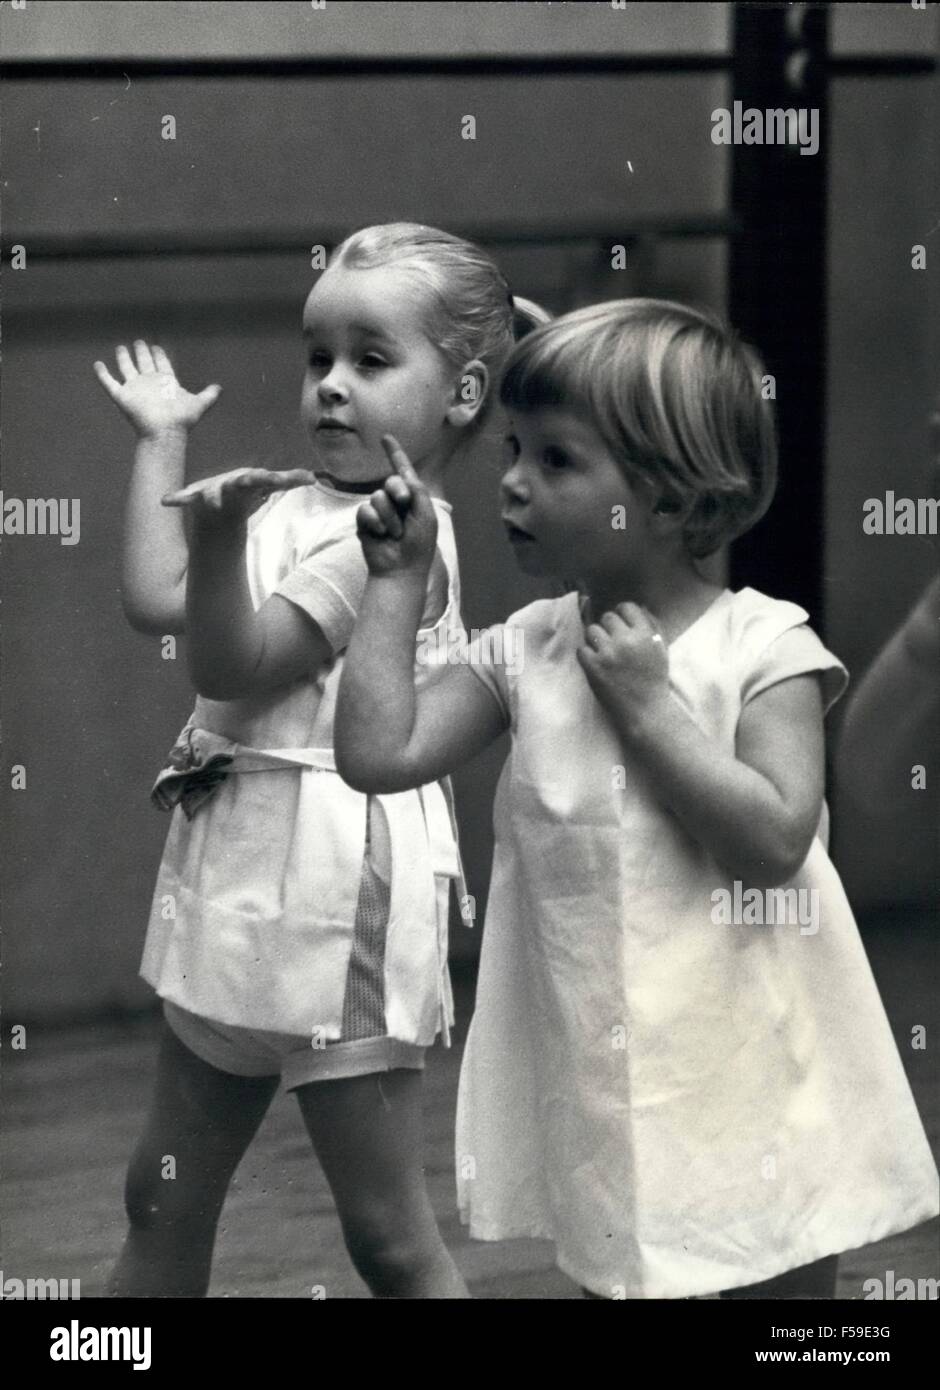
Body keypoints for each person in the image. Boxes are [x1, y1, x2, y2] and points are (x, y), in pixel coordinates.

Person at [334, 299, 940, 1299]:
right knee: (620, 1269)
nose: (515, 481)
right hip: (606, 1073)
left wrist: (651, 710)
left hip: (756, 1073)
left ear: (671, 499)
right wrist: (394, 586)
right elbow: (379, 753)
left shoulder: (763, 646)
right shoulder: (527, 647)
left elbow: (777, 838)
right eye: (514, 450)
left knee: (778, 1293)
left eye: (558, 460)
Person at [93, 223, 541, 1299]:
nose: (331, 385)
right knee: (159, 1195)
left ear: (463, 395)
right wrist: (162, 442)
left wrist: (211, 548)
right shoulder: (292, 503)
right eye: (318, 357)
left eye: (370, 360)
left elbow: (238, 660)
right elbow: (157, 605)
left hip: (340, 889)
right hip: (237, 872)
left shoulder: (391, 534)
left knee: (386, 1236)